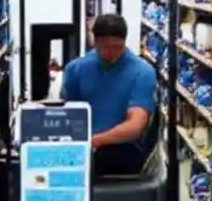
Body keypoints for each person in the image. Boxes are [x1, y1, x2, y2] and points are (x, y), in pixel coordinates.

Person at [60, 14, 157, 176]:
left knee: (109, 158)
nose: (110, 52)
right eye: (104, 47)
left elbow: (136, 125)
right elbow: (68, 114)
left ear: (124, 42)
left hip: (122, 149)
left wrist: (95, 140)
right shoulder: (75, 70)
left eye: (116, 47)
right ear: (94, 41)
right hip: (83, 147)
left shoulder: (142, 72)